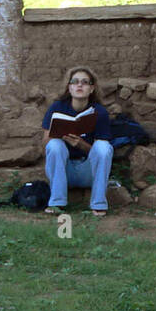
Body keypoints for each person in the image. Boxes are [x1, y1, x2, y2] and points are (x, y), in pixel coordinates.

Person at [42, 65, 114, 216]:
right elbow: (45, 143)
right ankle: (56, 203)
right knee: (54, 144)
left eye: (84, 82)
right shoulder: (57, 107)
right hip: (63, 170)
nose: (79, 85)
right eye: (75, 81)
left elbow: (101, 154)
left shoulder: (99, 112)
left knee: (104, 146)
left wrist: (81, 145)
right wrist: (61, 137)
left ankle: (99, 203)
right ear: (69, 87)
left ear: (92, 88)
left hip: (87, 171)